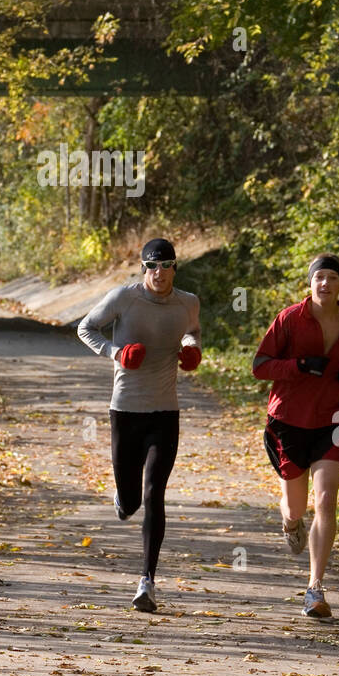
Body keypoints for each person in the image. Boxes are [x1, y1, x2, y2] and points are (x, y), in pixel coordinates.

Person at [77, 238, 201, 612]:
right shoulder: (123, 298)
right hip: (126, 411)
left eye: (165, 266)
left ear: (175, 268)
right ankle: (121, 500)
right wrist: (116, 353)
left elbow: (192, 330)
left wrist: (193, 349)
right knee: (130, 501)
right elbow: (86, 328)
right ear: (142, 268)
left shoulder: (188, 302)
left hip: (165, 412)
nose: (158, 273)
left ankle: (146, 581)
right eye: (152, 266)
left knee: (153, 495)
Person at [252, 254, 339, 619]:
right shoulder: (290, 319)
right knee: (297, 508)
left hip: (333, 420)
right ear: (310, 282)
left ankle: (315, 589)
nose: (325, 284)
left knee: (327, 502)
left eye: (332, 277)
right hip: (288, 420)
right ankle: (290, 523)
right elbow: (260, 366)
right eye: (319, 277)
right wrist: (298, 366)